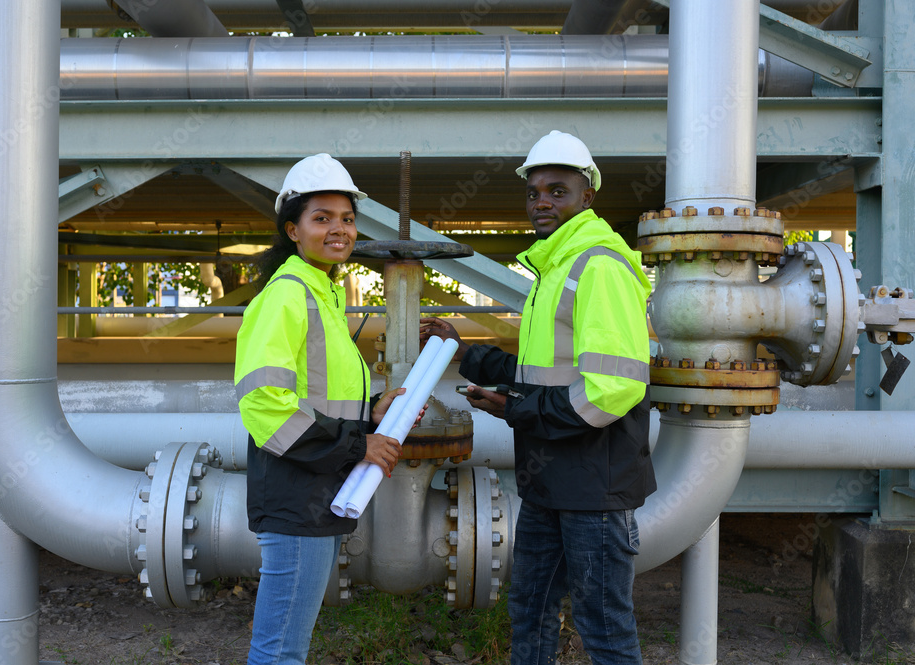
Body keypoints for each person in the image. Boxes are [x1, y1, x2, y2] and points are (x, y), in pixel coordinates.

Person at [421, 130, 656, 665]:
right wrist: (465, 351)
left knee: (603, 625)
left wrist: (518, 409)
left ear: (586, 197)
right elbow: (537, 372)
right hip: (550, 479)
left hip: (594, 485)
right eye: (534, 193)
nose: (542, 202)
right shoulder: (554, 269)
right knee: (528, 608)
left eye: (557, 190)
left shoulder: (598, 266)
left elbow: (613, 388)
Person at [235, 153, 406, 665]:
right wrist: (360, 443)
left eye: (347, 219)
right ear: (293, 229)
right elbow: (265, 405)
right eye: (322, 218)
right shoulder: (286, 298)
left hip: (315, 488)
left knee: (287, 644)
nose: (339, 230)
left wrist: (373, 413)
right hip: (295, 497)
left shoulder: (323, 295)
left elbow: (315, 395)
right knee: (280, 649)